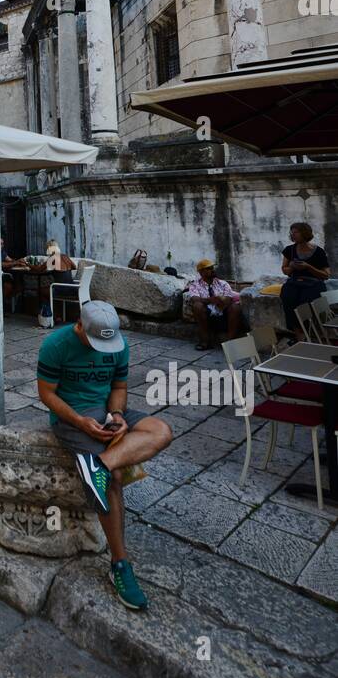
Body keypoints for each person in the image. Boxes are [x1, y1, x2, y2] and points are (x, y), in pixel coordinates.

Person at [37, 300, 172, 611]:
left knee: (161, 431)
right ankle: (120, 564)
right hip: (72, 418)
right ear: (79, 325)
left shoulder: (118, 344)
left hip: (105, 412)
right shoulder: (55, 345)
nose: (105, 348)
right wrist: (81, 421)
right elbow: (46, 393)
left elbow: (119, 386)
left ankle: (98, 465)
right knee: (113, 480)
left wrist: (116, 414)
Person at [280, 221, 331, 340]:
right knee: (288, 298)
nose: (293, 235)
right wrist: (292, 266)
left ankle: (308, 332)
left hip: (313, 283)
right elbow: (285, 270)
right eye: (291, 233)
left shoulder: (318, 252)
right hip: (295, 282)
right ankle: (298, 334)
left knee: (306, 301)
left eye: (296, 232)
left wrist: (308, 267)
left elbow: (326, 275)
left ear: (305, 233)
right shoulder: (289, 250)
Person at [184, 258, 242, 350]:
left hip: (223, 314)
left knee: (235, 307)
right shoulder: (194, 285)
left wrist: (222, 301)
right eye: (209, 268)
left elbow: (229, 297)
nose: (212, 270)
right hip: (207, 316)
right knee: (197, 306)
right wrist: (211, 300)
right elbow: (195, 299)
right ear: (201, 272)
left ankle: (230, 342)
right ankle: (205, 341)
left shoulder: (222, 283)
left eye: (212, 268)